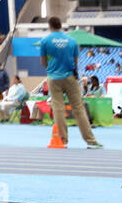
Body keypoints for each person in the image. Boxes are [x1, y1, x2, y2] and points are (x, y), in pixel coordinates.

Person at [38, 16, 102, 148]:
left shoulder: (45, 41)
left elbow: (43, 62)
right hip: (70, 77)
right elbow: (76, 62)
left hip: (54, 77)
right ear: (61, 25)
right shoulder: (72, 41)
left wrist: (52, 69)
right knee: (79, 108)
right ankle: (91, 140)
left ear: (50, 26)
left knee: (58, 108)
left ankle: (62, 140)